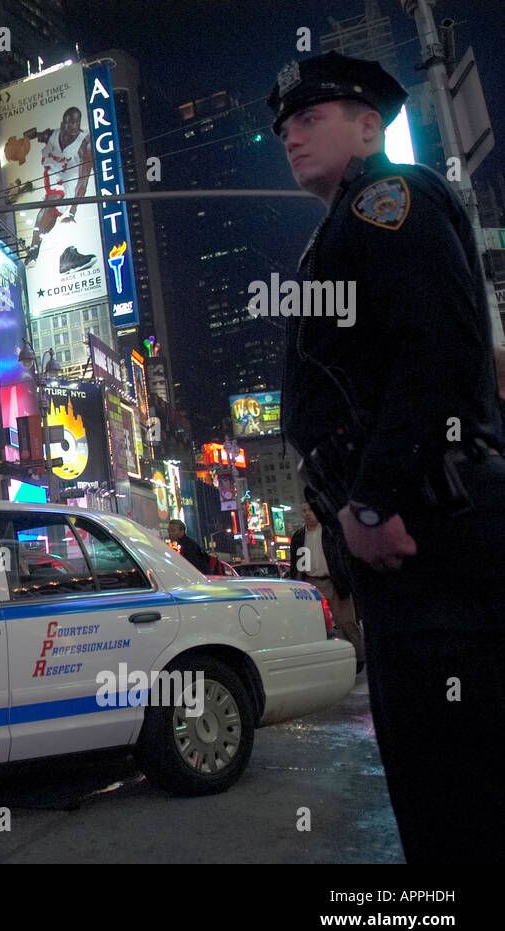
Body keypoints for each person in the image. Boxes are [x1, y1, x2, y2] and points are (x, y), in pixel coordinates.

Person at [269, 50, 505, 862]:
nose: (290, 137)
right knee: (432, 778)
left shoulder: (385, 201)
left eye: (310, 117)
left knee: (454, 785)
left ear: (369, 124)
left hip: (429, 526)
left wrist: (371, 500)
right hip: (409, 537)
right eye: (283, 127)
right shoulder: (345, 223)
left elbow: (431, 352)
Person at [288, 502, 362, 670]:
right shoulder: (300, 537)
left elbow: (343, 558)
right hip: (312, 584)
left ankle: (358, 659)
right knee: (319, 626)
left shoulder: (331, 532)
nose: (307, 514)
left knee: (347, 623)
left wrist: (346, 580)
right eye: (304, 510)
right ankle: (330, 662)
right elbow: (298, 566)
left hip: (335, 582)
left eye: (311, 510)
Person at [23, 107, 95, 272]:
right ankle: (34, 246)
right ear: (63, 124)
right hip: (54, 168)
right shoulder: (53, 135)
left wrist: (72, 211)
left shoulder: (85, 145)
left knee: (55, 211)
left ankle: (39, 241)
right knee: (52, 200)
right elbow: (38, 135)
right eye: (71, 123)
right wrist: (27, 137)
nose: (74, 126)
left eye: (77, 122)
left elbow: (83, 180)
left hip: (72, 176)